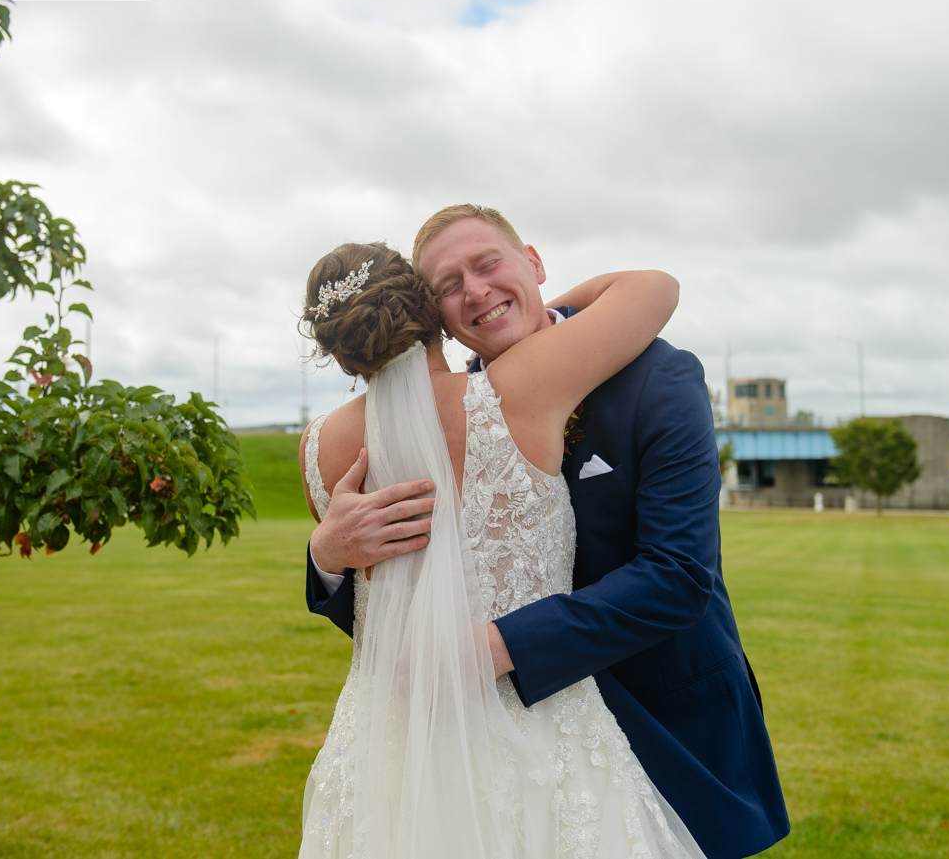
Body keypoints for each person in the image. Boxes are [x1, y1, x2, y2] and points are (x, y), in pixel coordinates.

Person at [306, 206, 789, 859]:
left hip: (659, 709)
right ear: (431, 313)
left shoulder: (657, 376)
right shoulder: (466, 400)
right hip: (477, 745)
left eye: (488, 265)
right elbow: (409, 610)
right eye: (449, 285)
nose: (476, 291)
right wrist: (327, 556)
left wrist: (495, 647)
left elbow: (678, 576)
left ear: (534, 262)